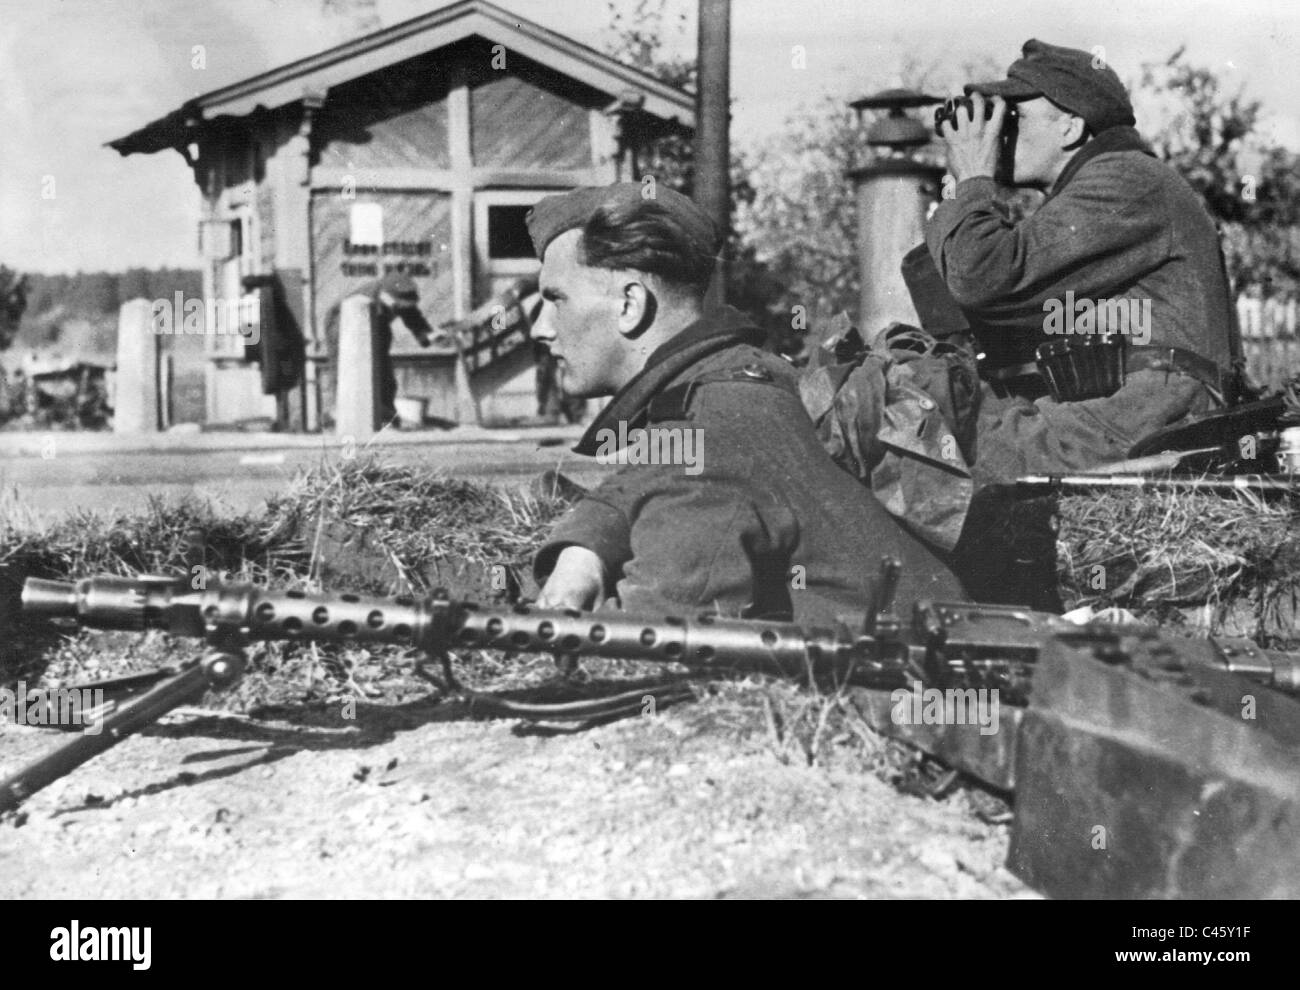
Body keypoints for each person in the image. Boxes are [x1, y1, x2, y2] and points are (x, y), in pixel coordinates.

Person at [526, 183, 965, 623]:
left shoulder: (708, 430)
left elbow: (652, 642)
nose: (539, 329)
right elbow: (643, 480)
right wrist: (582, 551)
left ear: (629, 303)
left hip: (912, 684)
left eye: (555, 300)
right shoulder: (745, 377)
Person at [926, 39, 1245, 488]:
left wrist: (973, 178)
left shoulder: (1126, 181)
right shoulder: (1096, 191)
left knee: (937, 453)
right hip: (1130, 410)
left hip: (1151, 414)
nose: (1000, 132)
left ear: (1071, 128)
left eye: (1014, 116)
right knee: (929, 409)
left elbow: (983, 277)